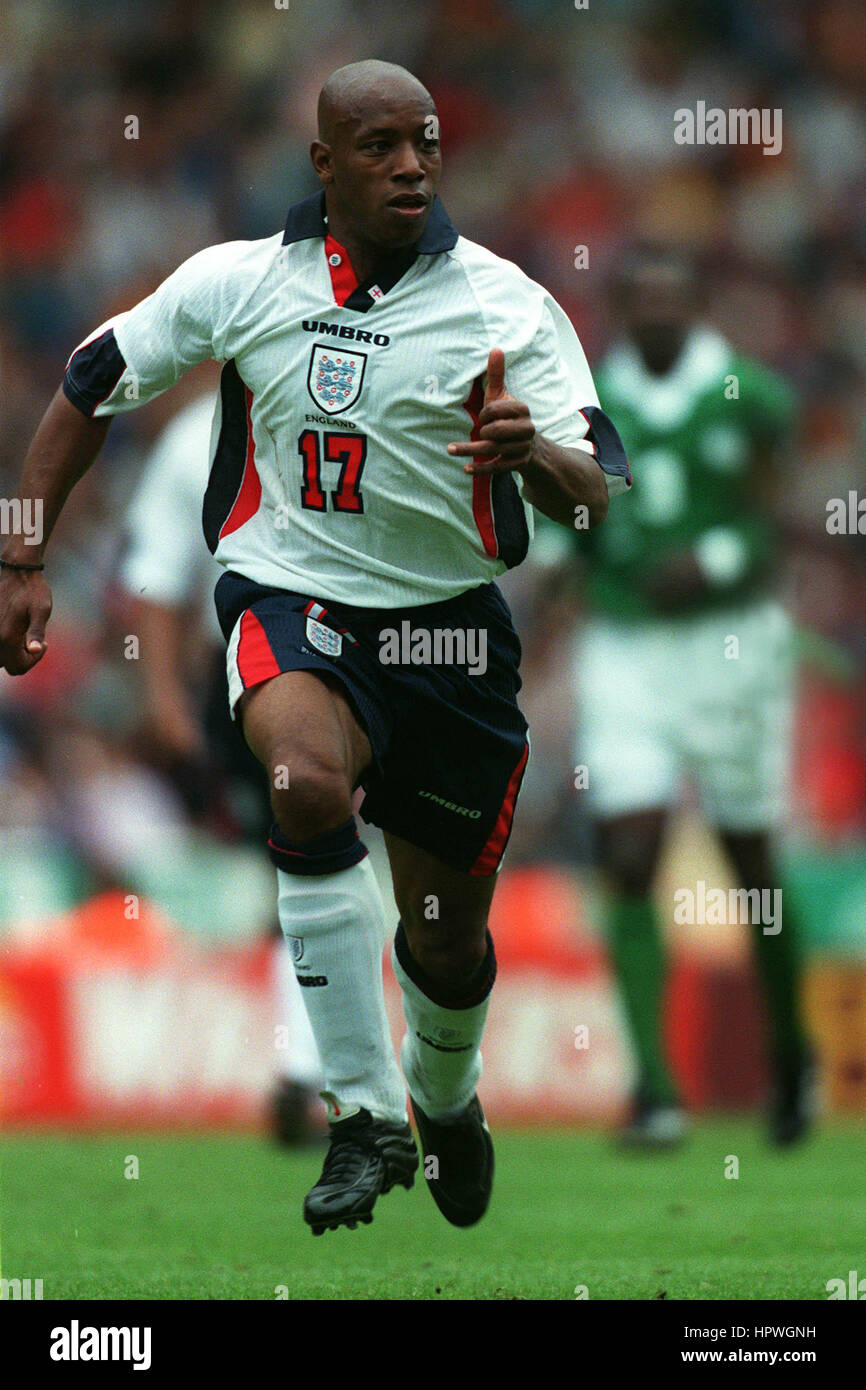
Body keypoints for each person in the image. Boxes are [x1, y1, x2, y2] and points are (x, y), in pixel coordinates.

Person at [0, 60, 629, 1234]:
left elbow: (601, 495)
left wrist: (531, 456)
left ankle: (445, 1098)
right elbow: (90, 383)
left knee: (445, 943)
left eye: (425, 144)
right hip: (290, 601)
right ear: (324, 164)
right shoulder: (240, 282)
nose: (409, 166)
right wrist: (23, 554)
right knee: (300, 779)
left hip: (450, 635)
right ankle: (360, 1115)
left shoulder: (507, 305)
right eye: (380, 146)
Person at [571, 242, 811, 1148]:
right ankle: (655, 1089)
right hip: (625, 644)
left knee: (750, 860)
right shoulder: (591, 394)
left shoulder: (752, 395)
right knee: (630, 853)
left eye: (675, 299)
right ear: (625, 309)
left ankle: (790, 1053)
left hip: (732, 643)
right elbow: (576, 512)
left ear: (699, 304)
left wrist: (711, 560)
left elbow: (783, 510)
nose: (659, 316)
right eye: (644, 300)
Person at [117, 388, 323, 1144]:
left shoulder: (340, 399)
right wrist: (166, 702)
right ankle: (311, 1073)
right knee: (307, 861)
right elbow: (158, 579)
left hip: (360, 659)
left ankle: (316, 1073)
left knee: (319, 864)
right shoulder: (191, 440)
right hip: (246, 670)